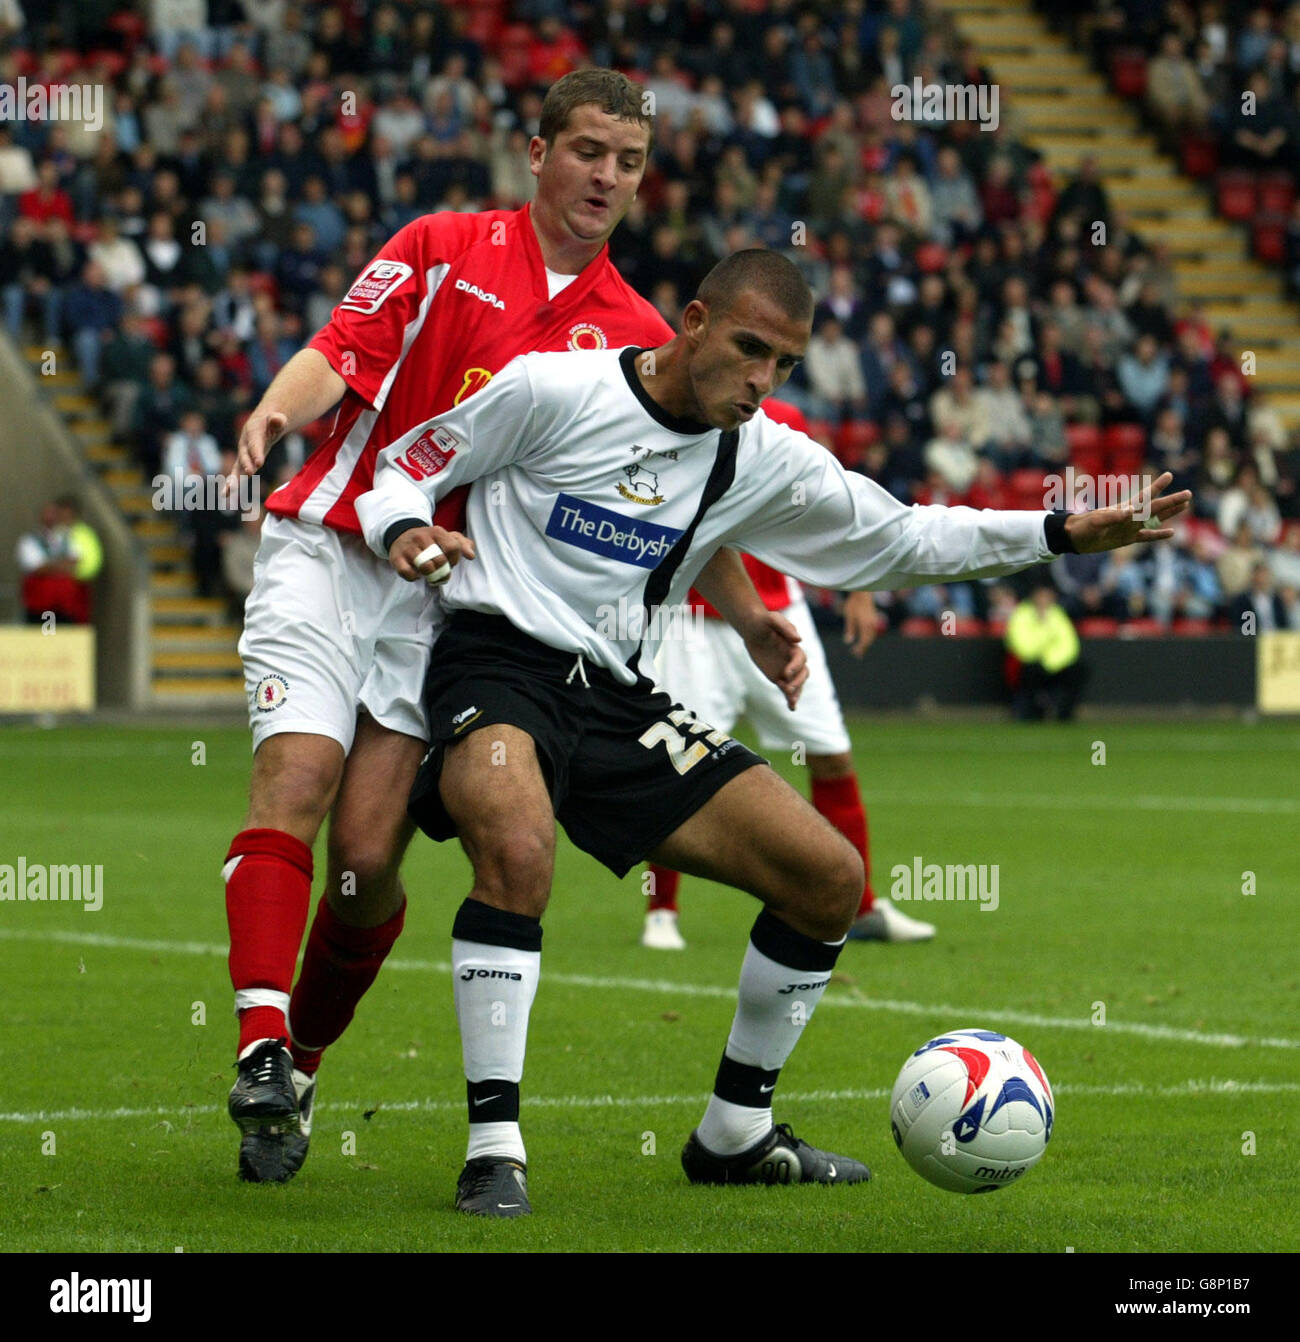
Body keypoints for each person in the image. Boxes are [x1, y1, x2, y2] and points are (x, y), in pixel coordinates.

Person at [355, 249, 1190, 1216]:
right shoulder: (554, 388)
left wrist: (1054, 534)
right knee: (518, 845)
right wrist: (404, 529)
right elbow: (408, 462)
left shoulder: (758, 454)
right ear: (695, 320)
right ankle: (494, 1149)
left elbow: (905, 535)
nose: (761, 380)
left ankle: (735, 1134)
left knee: (826, 877)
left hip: (613, 693)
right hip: (494, 660)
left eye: (784, 365)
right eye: (749, 349)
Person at [223, 71, 805, 1185]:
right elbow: (339, 350)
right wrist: (271, 412)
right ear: (535, 152)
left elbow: (686, 509)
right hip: (331, 546)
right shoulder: (442, 244)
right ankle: (260, 1041)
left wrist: (749, 619)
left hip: (443, 605)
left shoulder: (638, 333)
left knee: (361, 866)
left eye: (628, 162)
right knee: (295, 778)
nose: (606, 177)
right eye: (588, 150)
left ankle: (295, 1062)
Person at [642, 399, 934, 952]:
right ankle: (662, 914)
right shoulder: (685, 412)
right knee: (680, 765)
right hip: (697, 621)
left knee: (832, 754)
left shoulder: (786, 419)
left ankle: (862, 907)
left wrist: (860, 586)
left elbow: (835, 508)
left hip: (784, 612)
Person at [1005, 582, 1086, 721]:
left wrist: (1050, 662)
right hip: (1031, 664)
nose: (1044, 600)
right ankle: (1032, 712)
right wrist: (1046, 637)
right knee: (1030, 672)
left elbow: (1069, 645)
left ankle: (1064, 713)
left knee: (1079, 669)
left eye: (1047, 596)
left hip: (1055, 665)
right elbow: (1021, 646)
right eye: (1041, 596)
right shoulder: (1021, 615)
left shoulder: (1057, 614)